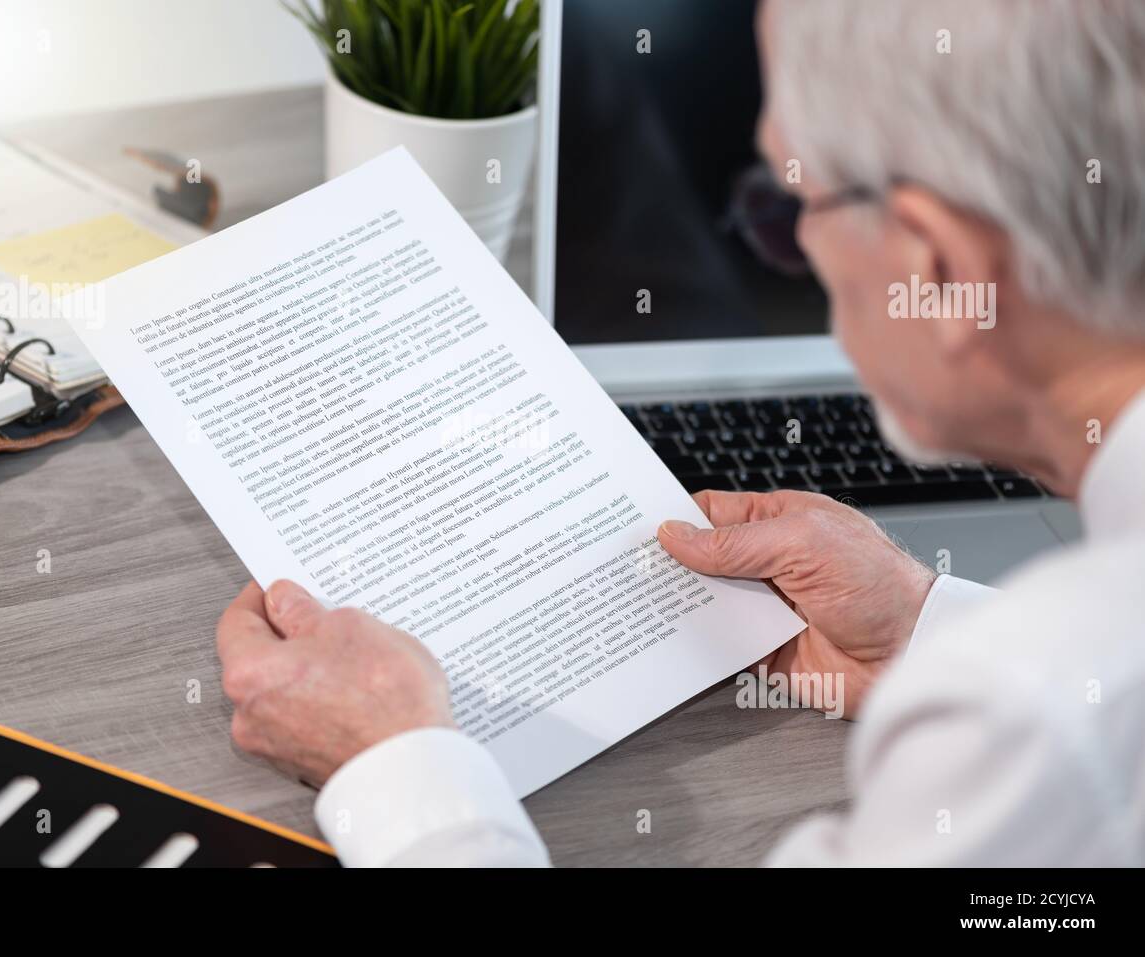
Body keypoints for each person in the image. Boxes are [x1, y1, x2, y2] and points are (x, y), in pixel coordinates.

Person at [215, 0, 1145, 866]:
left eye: (786, 213)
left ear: (934, 266)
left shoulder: (1029, 728)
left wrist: (397, 767)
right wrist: (915, 624)